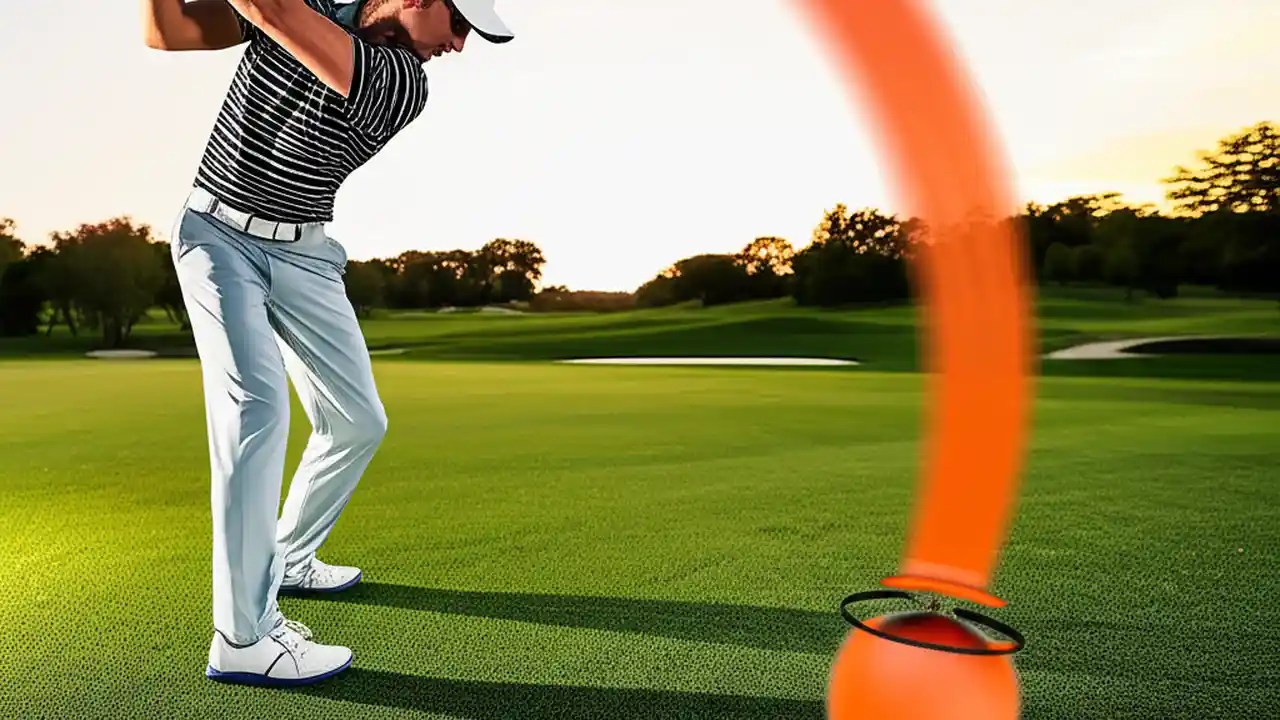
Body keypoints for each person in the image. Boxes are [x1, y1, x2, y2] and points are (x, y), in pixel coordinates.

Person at [141, 0, 513, 687]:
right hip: (216, 237)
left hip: (306, 255)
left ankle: (289, 557)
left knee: (358, 420)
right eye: (460, 25)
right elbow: (165, 32)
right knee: (257, 410)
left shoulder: (404, 82)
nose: (460, 47)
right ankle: (244, 638)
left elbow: (273, 12)